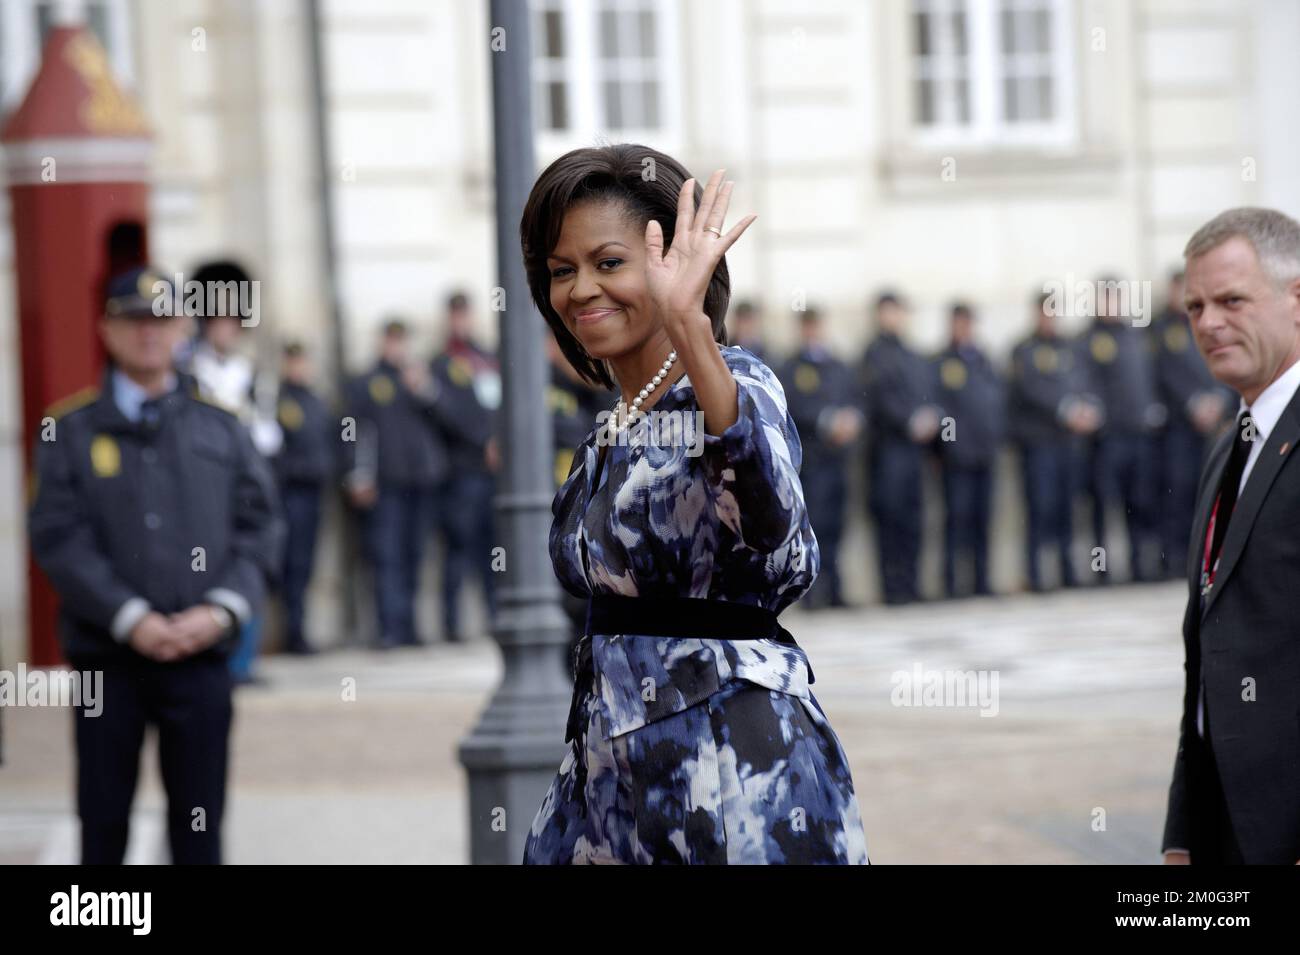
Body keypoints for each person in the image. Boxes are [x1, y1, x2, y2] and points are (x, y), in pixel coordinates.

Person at [519, 144, 868, 864]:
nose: (580, 289)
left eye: (608, 262)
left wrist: (691, 330)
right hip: (614, 778)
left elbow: (772, 522)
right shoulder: (615, 420)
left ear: (674, 263)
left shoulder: (735, 383)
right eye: (561, 270)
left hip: (734, 776)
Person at [28, 267, 282, 863]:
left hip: (202, 659)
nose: (149, 335)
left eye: (162, 321)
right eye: (132, 321)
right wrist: (129, 616)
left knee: (199, 829)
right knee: (102, 821)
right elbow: (58, 536)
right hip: (108, 658)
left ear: (183, 328)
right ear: (107, 331)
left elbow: (263, 526)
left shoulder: (222, 424)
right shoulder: (69, 430)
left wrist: (223, 611)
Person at [1162, 208, 1300, 865]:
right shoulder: (1229, 448)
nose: (1209, 323)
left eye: (1232, 300)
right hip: (1225, 827)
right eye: (1194, 306)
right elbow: (1207, 662)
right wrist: (1184, 829)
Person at [184, 259, 282, 684]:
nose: (226, 329)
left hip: (247, 475)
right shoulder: (191, 371)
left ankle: (244, 659)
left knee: (251, 560)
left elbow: (269, 433)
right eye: (218, 321)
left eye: (232, 321)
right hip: (205, 480)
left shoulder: (252, 375)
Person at [343, 319, 447, 648]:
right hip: (385, 484)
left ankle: (411, 627)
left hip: (421, 482)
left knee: (415, 557)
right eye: (391, 341)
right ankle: (390, 630)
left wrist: (425, 390)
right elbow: (353, 432)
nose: (397, 348)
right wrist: (359, 475)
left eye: (402, 341)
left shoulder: (420, 380)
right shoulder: (366, 382)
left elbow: (447, 422)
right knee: (387, 557)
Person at [1008, 291, 1101, 591]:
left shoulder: (1070, 347)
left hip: (1069, 443)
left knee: (1068, 507)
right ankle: (1035, 575)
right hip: (1039, 443)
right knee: (1040, 507)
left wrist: (1087, 407)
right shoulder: (1023, 349)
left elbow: (1084, 382)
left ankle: (1067, 571)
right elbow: (1030, 389)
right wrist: (1065, 409)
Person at [1078, 276, 1166, 582]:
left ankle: (1140, 565)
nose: (1111, 305)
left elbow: (1150, 379)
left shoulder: (1136, 334)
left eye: (1115, 298)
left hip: (1139, 434)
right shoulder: (1088, 339)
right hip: (1107, 438)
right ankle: (1101, 570)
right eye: (1106, 298)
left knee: (1140, 502)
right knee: (1104, 504)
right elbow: (1084, 382)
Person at [776, 306, 863, 609]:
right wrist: (828, 421)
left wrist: (851, 420)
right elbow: (794, 408)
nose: (813, 332)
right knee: (814, 525)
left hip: (839, 458)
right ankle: (811, 593)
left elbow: (854, 398)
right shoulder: (790, 367)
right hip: (812, 461)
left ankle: (836, 589)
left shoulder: (838, 364)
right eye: (807, 326)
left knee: (838, 524)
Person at [427, 292, 501, 643]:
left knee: (493, 549)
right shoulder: (442, 363)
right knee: (458, 547)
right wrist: (482, 442)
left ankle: (495, 616)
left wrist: (500, 441)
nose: (461, 322)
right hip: (462, 470)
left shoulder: (487, 358)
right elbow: (450, 413)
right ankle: (451, 625)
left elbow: (501, 406)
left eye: (465, 315)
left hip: (493, 470)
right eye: (455, 316)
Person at [859, 292, 941, 605]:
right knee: (889, 517)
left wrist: (930, 417)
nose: (893, 318)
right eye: (887, 312)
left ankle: (911, 583)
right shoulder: (874, 354)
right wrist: (909, 420)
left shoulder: (913, 354)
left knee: (913, 518)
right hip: (887, 450)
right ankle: (891, 587)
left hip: (915, 452)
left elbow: (927, 392)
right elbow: (878, 398)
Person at [1152, 269, 1233, 578]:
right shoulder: (1159, 329)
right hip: (1178, 426)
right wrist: (1192, 404)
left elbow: (1231, 364)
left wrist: (1218, 400)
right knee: (1178, 491)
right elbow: (1161, 375)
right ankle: (1175, 560)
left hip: (1216, 422)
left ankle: (1210, 560)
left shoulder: (1212, 324)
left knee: (1213, 491)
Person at [932, 302, 1004, 598]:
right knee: (956, 520)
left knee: (982, 519)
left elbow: (995, 402)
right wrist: (946, 447)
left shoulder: (983, 359)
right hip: (956, 456)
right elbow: (939, 408)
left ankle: (981, 579)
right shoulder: (942, 362)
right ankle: (952, 582)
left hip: (984, 453)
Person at [272, 341, 334, 654]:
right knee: (292, 563)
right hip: (290, 492)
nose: (300, 368)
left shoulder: (315, 400)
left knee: (306, 563)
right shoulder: (280, 400)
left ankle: (301, 629)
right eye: (294, 362)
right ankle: (292, 632)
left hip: (314, 492)